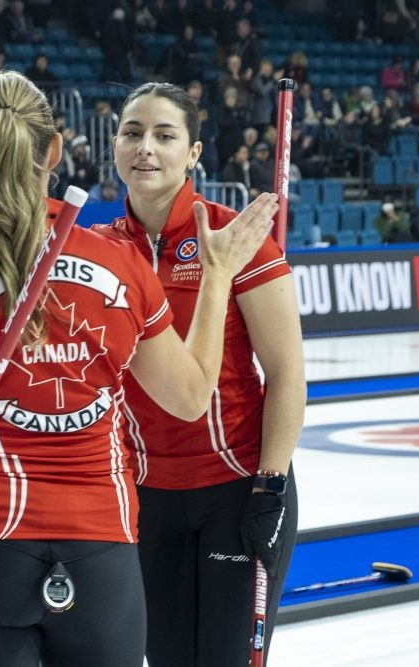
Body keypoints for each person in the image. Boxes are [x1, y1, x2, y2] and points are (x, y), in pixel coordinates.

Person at [0, 70, 278, 667]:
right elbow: (189, 397)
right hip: (103, 554)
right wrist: (217, 276)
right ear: (53, 150)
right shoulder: (120, 262)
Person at [98, 81, 304, 667]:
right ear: (114, 146)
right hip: (144, 494)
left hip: (237, 489)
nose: (146, 148)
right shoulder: (99, 250)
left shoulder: (237, 240)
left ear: (192, 153)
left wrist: (271, 484)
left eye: (165, 136)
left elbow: (286, 372)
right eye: (132, 133)